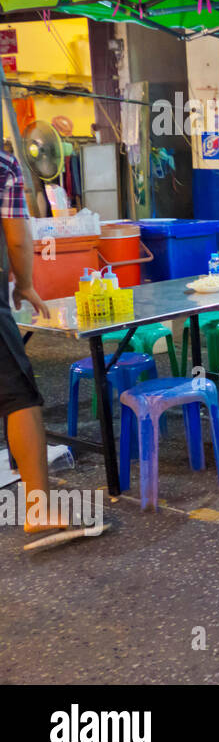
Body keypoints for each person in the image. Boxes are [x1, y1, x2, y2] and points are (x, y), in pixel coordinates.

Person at [0, 146, 73, 535]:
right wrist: (25, 284)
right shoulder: (4, 162)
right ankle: (38, 508)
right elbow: (15, 236)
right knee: (18, 396)